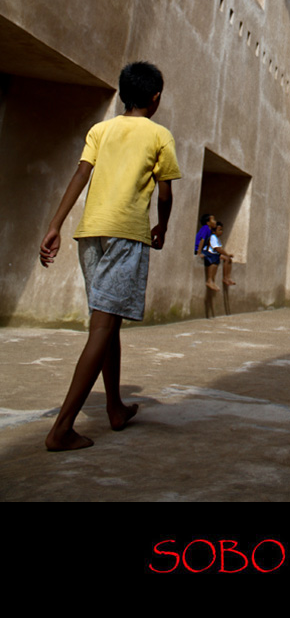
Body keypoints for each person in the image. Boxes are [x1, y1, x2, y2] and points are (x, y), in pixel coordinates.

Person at [39, 61, 181, 451]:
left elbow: (80, 175)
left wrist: (55, 225)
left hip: (91, 234)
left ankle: (115, 407)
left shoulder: (100, 129)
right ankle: (61, 429)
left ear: (123, 94)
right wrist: (163, 227)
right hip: (126, 235)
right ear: (155, 98)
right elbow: (165, 193)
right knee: (102, 327)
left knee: (108, 321)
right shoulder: (160, 135)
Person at [195, 213, 219, 292]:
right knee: (213, 258)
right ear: (208, 222)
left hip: (202, 249)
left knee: (216, 257)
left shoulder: (209, 230)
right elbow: (202, 240)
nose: (215, 222)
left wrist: (208, 251)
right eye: (213, 220)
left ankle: (212, 280)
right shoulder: (205, 228)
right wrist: (199, 253)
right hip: (197, 248)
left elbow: (208, 242)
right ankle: (209, 280)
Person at [209, 222, 235, 287]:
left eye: (221, 230)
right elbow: (217, 249)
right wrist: (227, 255)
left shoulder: (217, 239)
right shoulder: (213, 237)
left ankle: (228, 277)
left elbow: (220, 249)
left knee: (229, 260)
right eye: (219, 230)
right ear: (214, 231)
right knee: (226, 259)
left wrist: (227, 255)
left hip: (216, 254)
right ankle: (225, 278)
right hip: (212, 253)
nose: (221, 232)